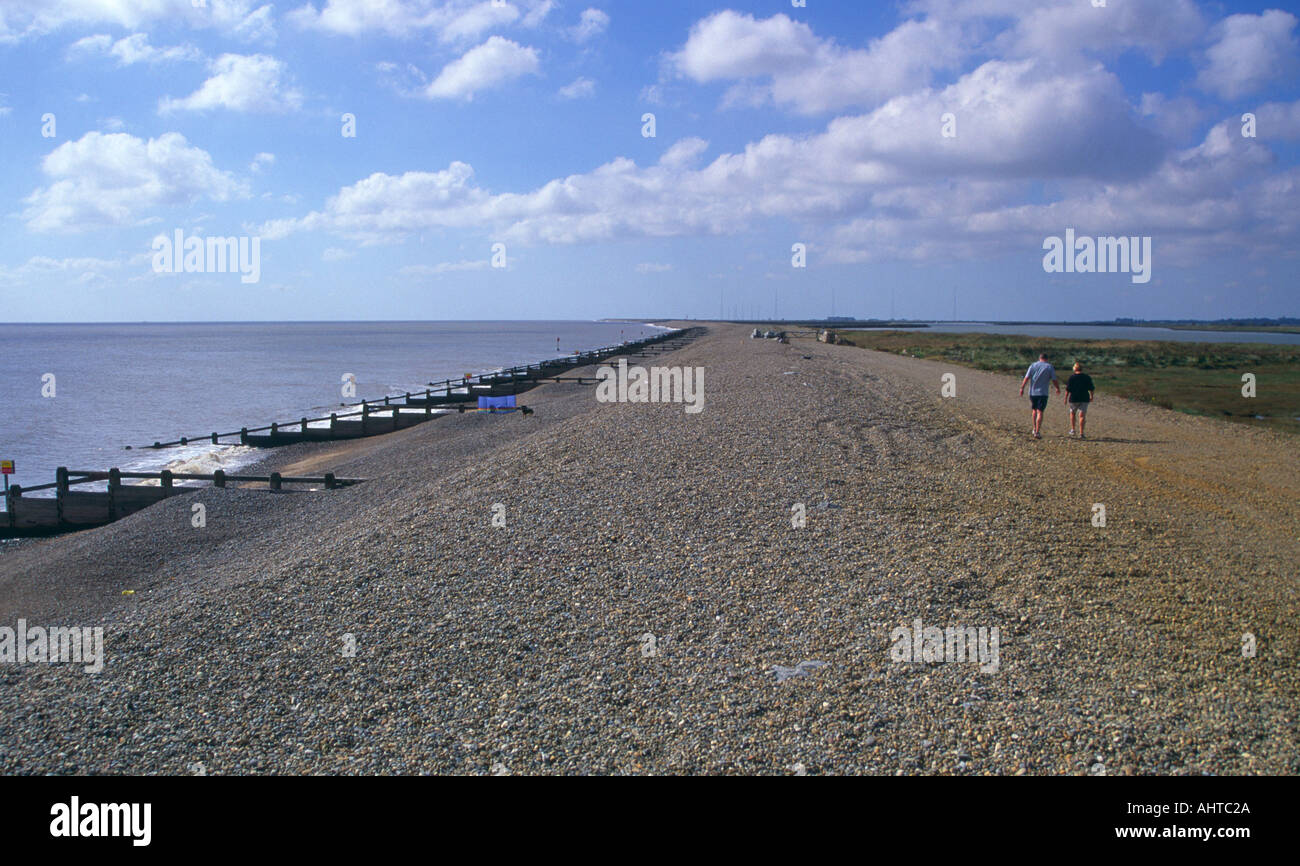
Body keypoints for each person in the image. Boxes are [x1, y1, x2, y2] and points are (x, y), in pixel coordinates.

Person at [1019, 352, 1060, 439]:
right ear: (1046, 359)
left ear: (1039, 358)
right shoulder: (1049, 367)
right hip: (1043, 393)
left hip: (1032, 392)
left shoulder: (1033, 366)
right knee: (1040, 411)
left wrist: (1022, 388)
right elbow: (1054, 379)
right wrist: (1057, 388)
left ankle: (1034, 428)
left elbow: (1026, 377)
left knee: (1034, 410)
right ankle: (1037, 431)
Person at [1065, 361, 1095, 439]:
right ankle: (1081, 433)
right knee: (1082, 415)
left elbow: (1067, 389)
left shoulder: (1071, 377)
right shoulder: (1087, 377)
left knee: (1072, 413)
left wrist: (1065, 398)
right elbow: (1091, 388)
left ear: (1074, 369)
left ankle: (1073, 429)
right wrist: (1091, 396)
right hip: (1084, 398)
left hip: (1074, 398)